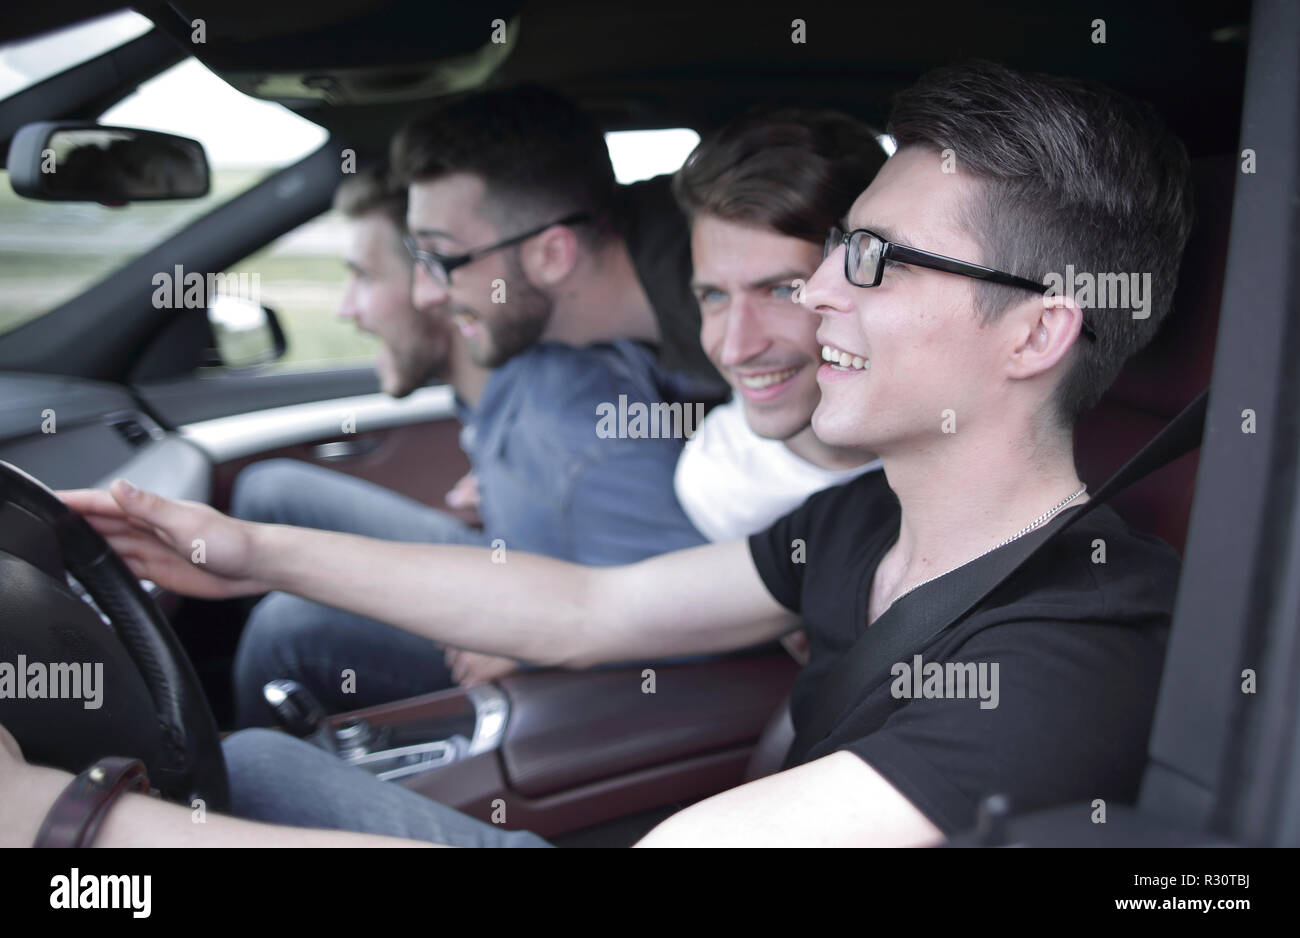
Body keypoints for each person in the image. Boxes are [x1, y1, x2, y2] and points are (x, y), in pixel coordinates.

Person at [33, 60, 1195, 847]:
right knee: (259, 770)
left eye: (876, 263)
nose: (818, 297)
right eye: (839, 247)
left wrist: (68, 822)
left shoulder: (1071, 652)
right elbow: (588, 608)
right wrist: (250, 549)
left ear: (1039, 329)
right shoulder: (867, 521)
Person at [229, 89, 725, 724]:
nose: (426, 295)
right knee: (267, 493)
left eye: (441, 258)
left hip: (605, 628)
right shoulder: (625, 294)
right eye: (417, 258)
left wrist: (537, 637)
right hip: (547, 564)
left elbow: (721, 605)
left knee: (288, 628)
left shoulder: (722, 331)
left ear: (552, 254)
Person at [446, 107, 888, 685]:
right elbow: (609, 611)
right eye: (712, 297)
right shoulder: (715, 484)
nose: (734, 347)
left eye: (783, 289)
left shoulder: (963, 464)